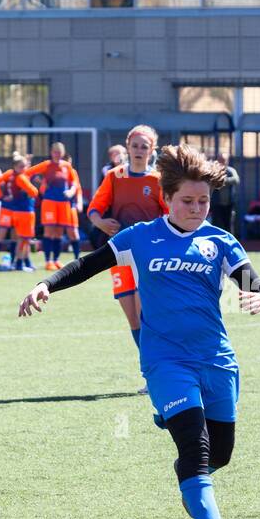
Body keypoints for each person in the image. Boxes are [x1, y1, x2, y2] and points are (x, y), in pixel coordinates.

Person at [18, 144, 260, 519]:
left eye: (204, 201)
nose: (197, 209)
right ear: (167, 199)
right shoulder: (141, 238)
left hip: (216, 361)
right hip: (165, 362)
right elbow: (89, 264)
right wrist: (47, 284)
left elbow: (255, 282)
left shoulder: (220, 242)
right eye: (187, 201)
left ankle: (179, 445)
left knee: (219, 454)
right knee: (196, 451)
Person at [87, 126, 167, 390]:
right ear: (128, 147)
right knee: (132, 318)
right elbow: (95, 208)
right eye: (135, 146)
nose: (139, 151)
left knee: (147, 316)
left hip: (148, 255)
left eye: (145, 147)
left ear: (152, 150)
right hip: (120, 253)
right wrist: (100, 223)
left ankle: (156, 373)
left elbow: (169, 215)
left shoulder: (157, 180)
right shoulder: (114, 176)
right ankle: (150, 371)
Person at [22, 141, 83, 269]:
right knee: (49, 231)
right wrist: (33, 186)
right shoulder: (46, 165)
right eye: (55, 152)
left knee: (59, 232)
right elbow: (28, 172)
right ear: (51, 152)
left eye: (59, 152)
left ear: (63, 153)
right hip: (49, 202)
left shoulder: (67, 166)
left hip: (64, 203)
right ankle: (47, 261)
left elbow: (75, 183)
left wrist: (71, 192)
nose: (57, 154)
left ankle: (56, 260)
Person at [0, 153, 38, 271]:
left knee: (17, 236)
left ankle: (17, 262)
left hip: (12, 209)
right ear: (16, 165)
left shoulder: (19, 175)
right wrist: (0, 197)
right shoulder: (17, 176)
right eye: (23, 165)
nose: (25, 168)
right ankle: (9, 262)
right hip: (12, 209)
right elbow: (34, 192)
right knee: (15, 236)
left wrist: (0, 196)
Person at [210, 150, 239, 232]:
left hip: (229, 203)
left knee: (229, 225)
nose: (223, 162)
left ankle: (229, 243)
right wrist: (218, 182)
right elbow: (212, 182)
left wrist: (222, 181)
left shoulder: (231, 170)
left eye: (225, 160)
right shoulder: (213, 170)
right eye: (221, 160)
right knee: (216, 224)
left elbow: (236, 180)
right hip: (217, 204)